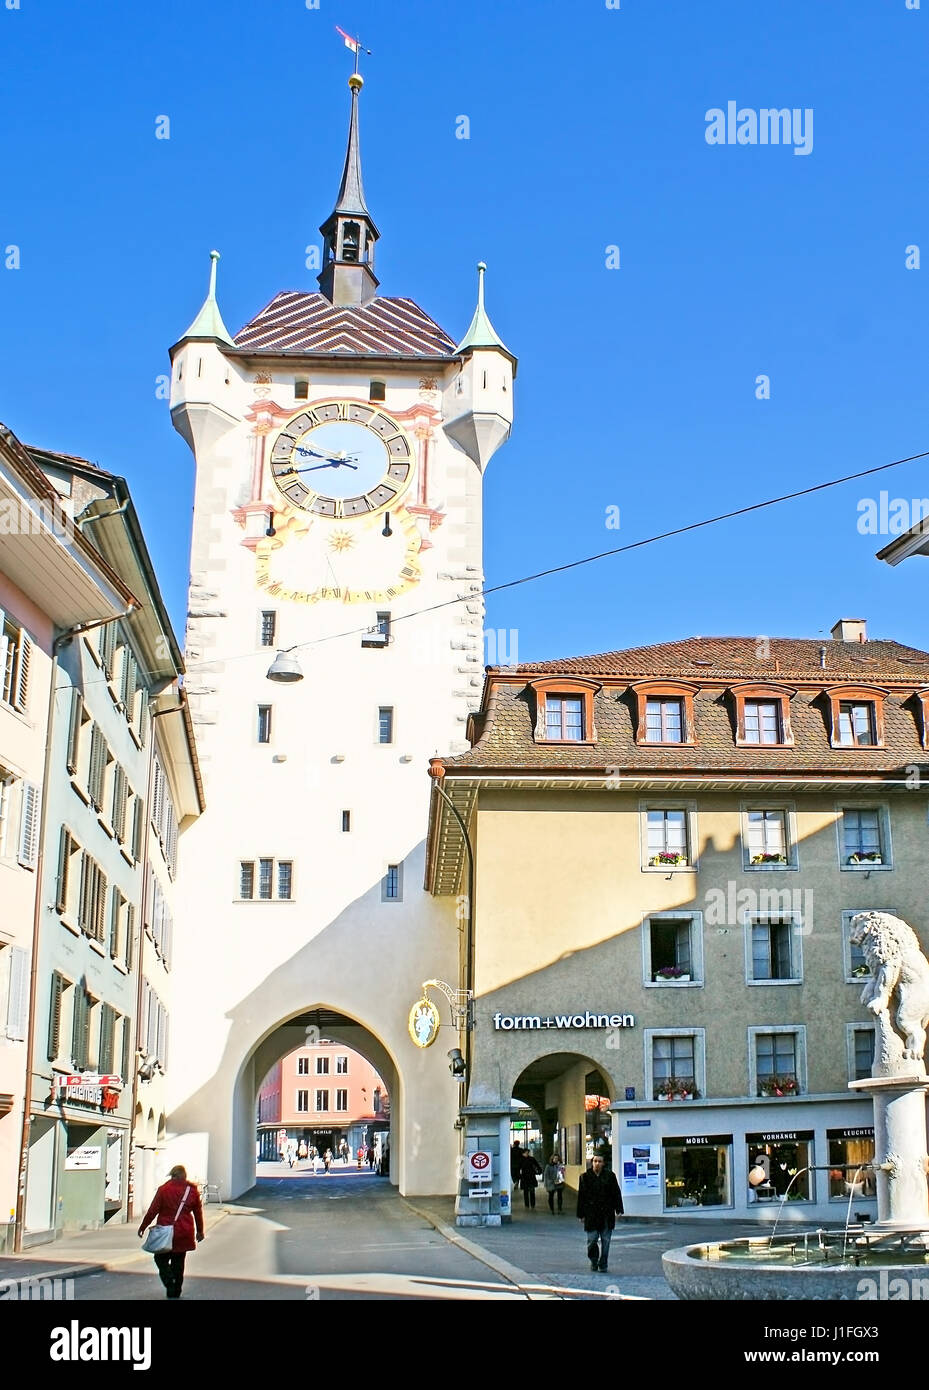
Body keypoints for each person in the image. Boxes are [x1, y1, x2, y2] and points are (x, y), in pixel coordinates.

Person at [138, 1165, 204, 1300]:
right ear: (184, 1176)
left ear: (173, 1175)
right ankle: (175, 1292)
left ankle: (169, 1282)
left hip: (165, 1230)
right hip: (184, 1231)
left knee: (160, 1258)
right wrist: (200, 1231)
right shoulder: (191, 1191)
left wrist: (143, 1226)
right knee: (178, 1263)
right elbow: (198, 1212)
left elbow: (153, 1210)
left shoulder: (164, 1189)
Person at [576, 1154, 623, 1273]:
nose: (597, 1163)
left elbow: (616, 1193)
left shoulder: (610, 1176)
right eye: (595, 1161)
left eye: (599, 1161)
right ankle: (594, 1260)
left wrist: (619, 1209)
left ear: (603, 1163)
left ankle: (603, 1263)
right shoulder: (585, 1177)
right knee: (592, 1240)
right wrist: (580, 1214)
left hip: (606, 1213)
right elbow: (581, 1197)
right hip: (591, 1214)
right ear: (592, 1162)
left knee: (606, 1240)